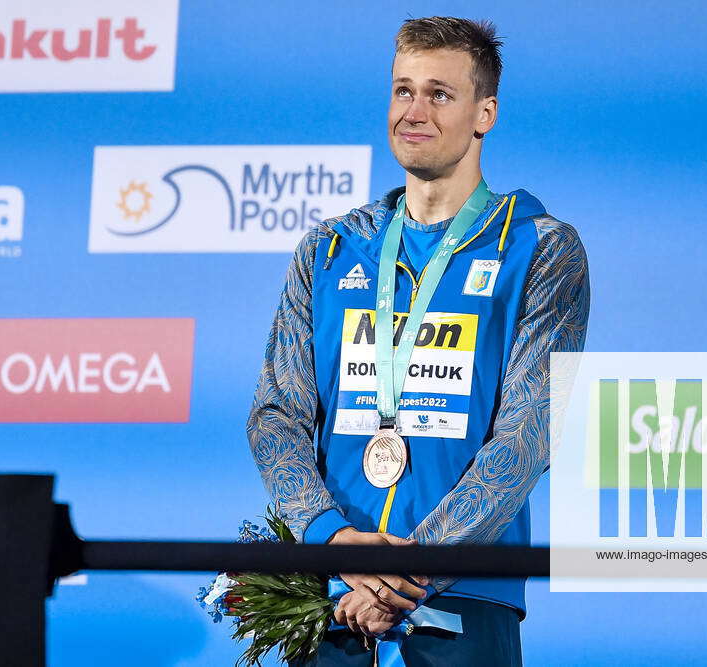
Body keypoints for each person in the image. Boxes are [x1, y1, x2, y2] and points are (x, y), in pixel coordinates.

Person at [247, 15, 589, 665]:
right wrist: (335, 540)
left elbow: (533, 431)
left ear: (484, 112)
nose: (414, 110)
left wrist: (413, 572)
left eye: (440, 93)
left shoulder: (543, 249)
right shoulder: (328, 249)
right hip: (333, 593)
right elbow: (274, 417)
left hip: (463, 594)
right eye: (403, 89)